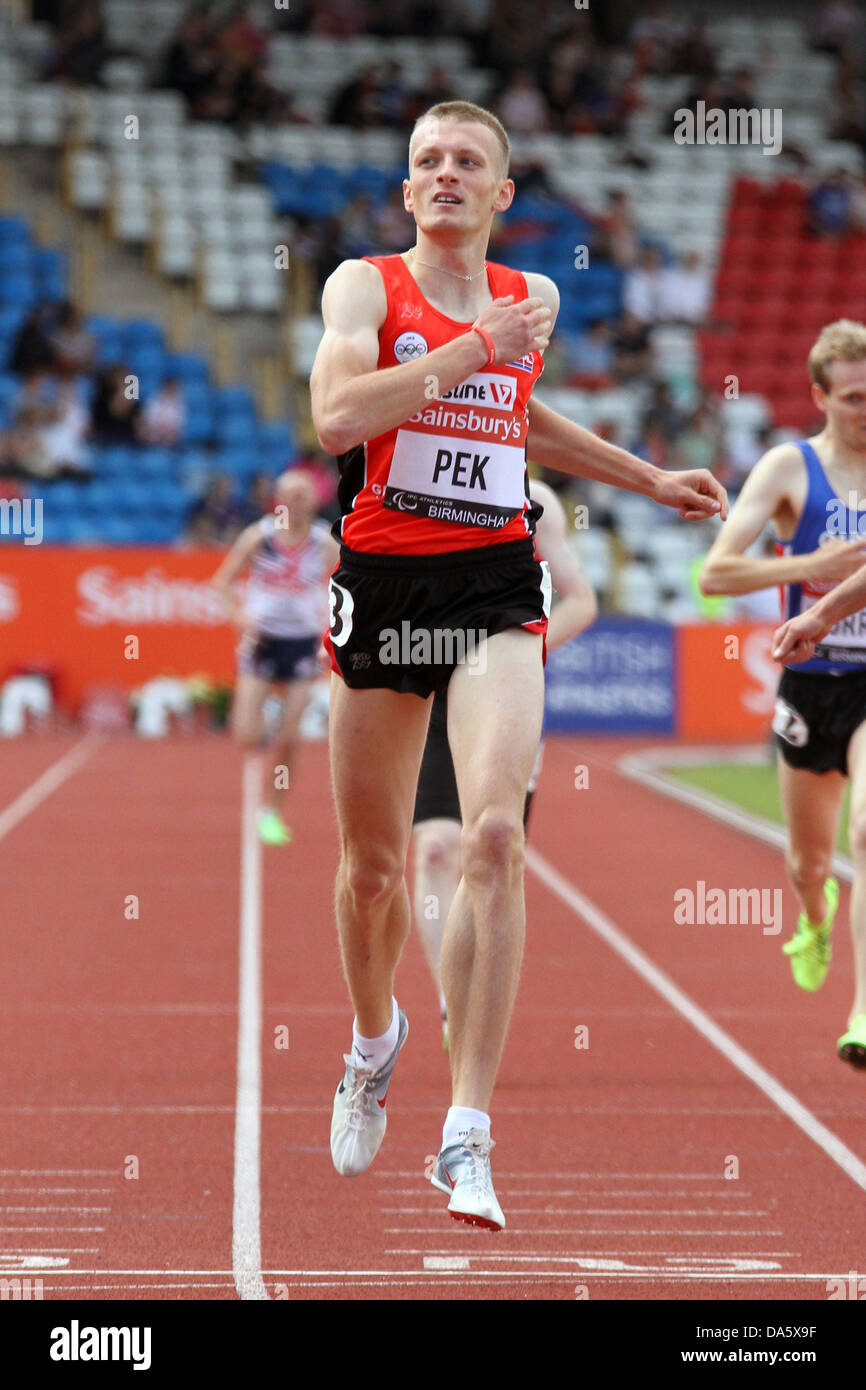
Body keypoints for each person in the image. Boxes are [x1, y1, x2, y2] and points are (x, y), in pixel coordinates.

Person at [310, 100, 726, 1230]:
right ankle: (372, 1039)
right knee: (371, 873)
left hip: (495, 584)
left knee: (493, 834)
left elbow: (515, 420)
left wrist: (648, 479)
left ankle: (466, 1134)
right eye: (425, 162)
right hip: (386, 584)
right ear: (406, 191)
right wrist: (476, 347)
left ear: (501, 194)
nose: (443, 175)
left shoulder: (522, 309)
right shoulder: (363, 286)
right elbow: (339, 415)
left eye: (467, 163)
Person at [700, 319, 866, 1069]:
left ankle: (863, 1011)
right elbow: (716, 575)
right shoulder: (789, 469)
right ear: (821, 397)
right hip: (810, 681)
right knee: (808, 862)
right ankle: (812, 915)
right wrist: (808, 564)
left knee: (864, 837)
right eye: (856, 398)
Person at [412, 478, 597, 1048]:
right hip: (428, 690)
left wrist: (523, 652)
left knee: (487, 852)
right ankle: (453, 1001)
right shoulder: (410, 476)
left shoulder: (533, 497)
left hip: (500, 693)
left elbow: (583, 600)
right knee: (437, 848)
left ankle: (470, 991)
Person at [212, 470, 339, 846]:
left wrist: (330, 630)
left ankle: (272, 811)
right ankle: (266, 717)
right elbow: (222, 582)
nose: (298, 500)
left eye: (305, 494)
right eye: (291, 494)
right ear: (278, 499)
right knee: (248, 736)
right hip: (262, 641)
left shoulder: (323, 541)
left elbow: (345, 586)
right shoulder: (259, 536)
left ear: (314, 500)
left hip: (301, 643)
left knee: (290, 736)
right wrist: (240, 619)